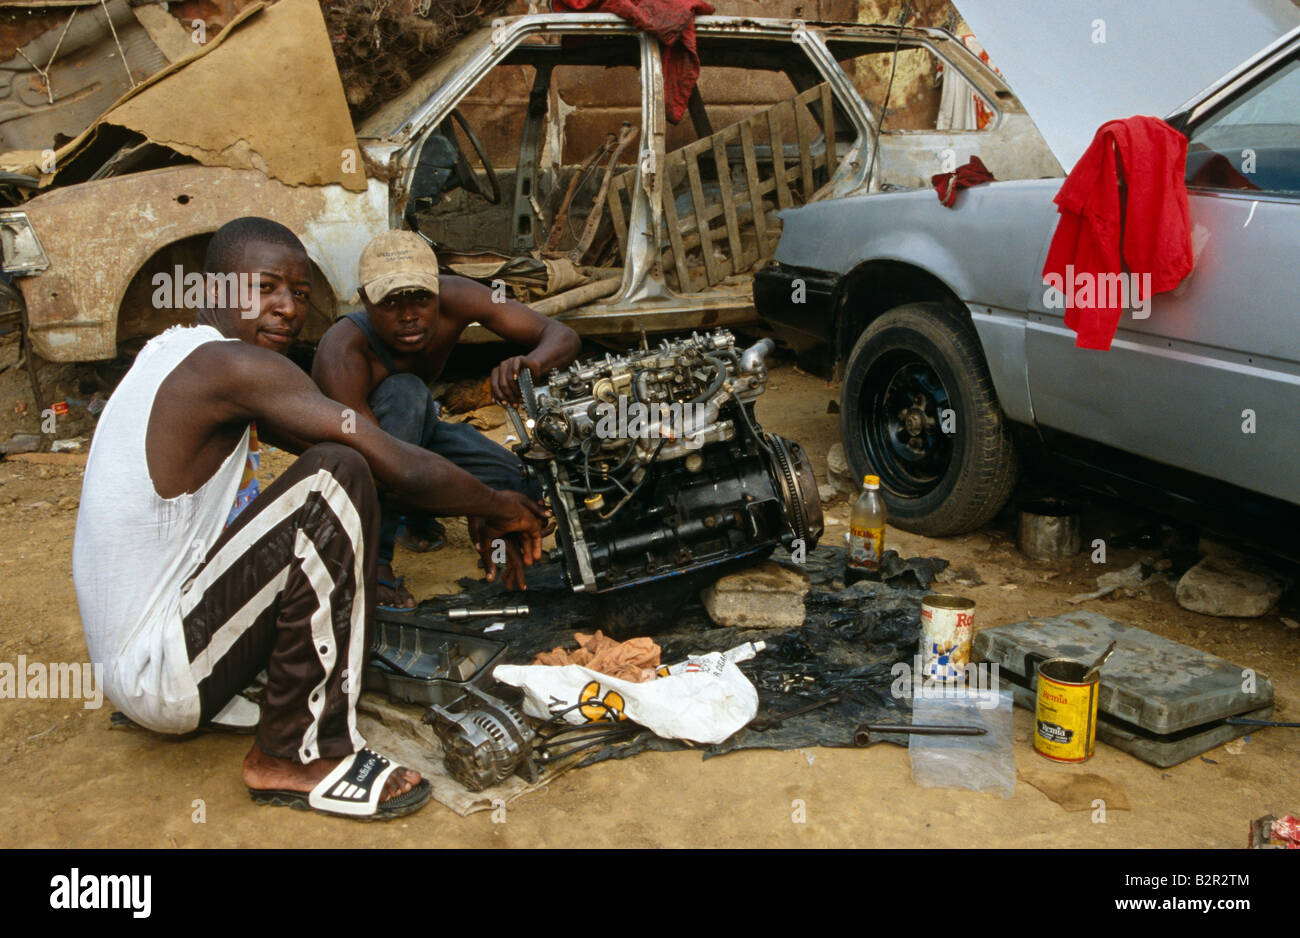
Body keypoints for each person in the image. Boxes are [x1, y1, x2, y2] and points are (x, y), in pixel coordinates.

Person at [72, 217, 548, 821]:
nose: (288, 309)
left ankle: (264, 701)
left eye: (298, 294)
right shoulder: (232, 368)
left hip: (141, 666)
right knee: (336, 476)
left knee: (335, 470)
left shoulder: (174, 356)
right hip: (161, 677)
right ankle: (297, 754)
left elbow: (384, 458)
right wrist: (501, 505)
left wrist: (474, 497)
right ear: (215, 290)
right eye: (265, 288)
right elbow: (388, 462)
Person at [312, 230, 581, 609]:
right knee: (406, 394)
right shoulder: (342, 351)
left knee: (515, 475)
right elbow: (379, 470)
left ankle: (479, 545)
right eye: (390, 301)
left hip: (419, 432)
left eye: (421, 298)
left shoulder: (462, 295)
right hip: (362, 460)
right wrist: (482, 504)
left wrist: (531, 364)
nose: (408, 315)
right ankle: (373, 568)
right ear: (364, 300)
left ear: (439, 290)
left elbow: (561, 334)